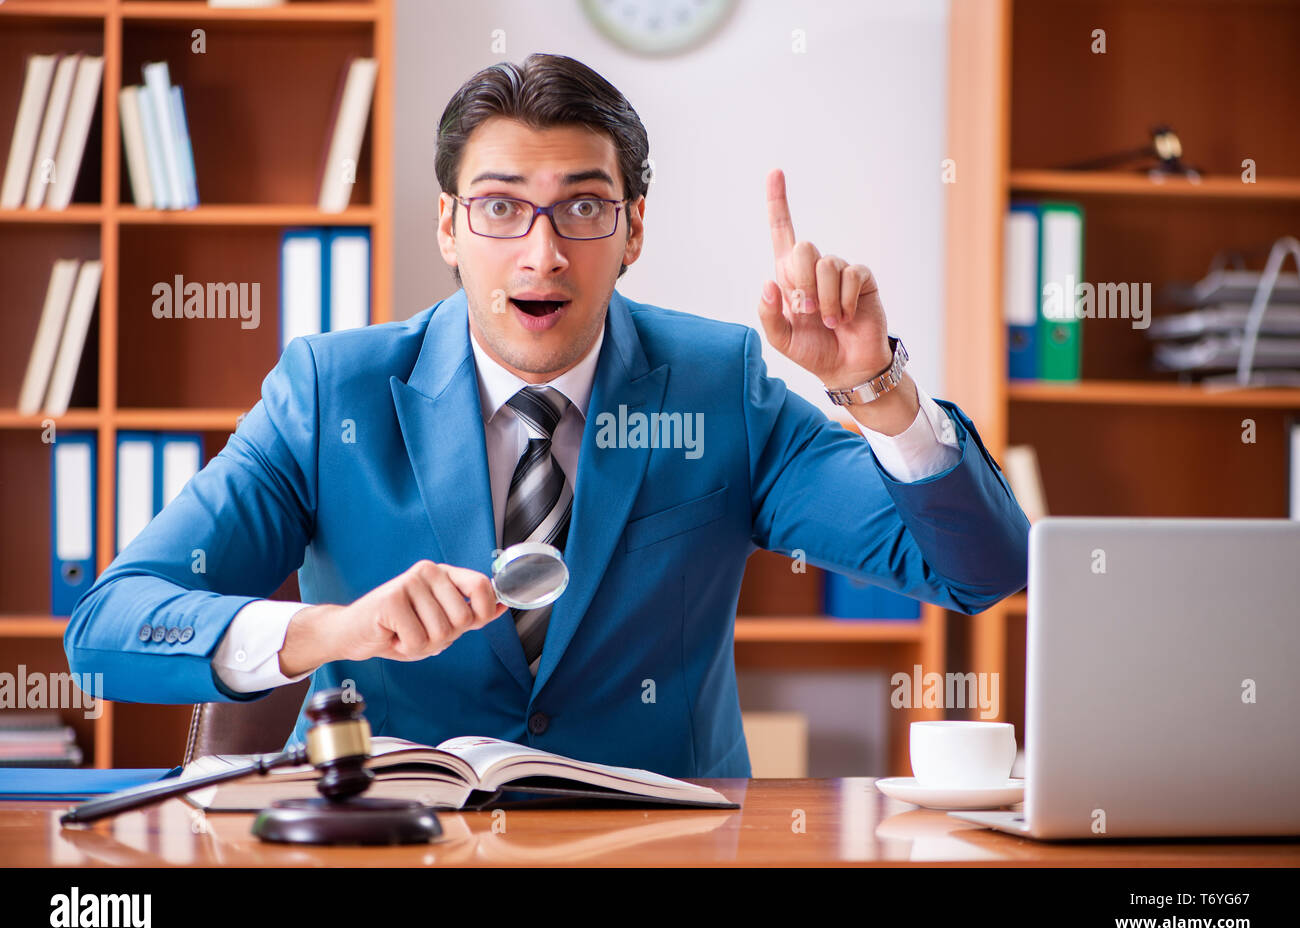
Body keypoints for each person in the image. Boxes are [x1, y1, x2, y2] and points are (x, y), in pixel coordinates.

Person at [64, 54, 1029, 778]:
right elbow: (108, 623)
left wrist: (877, 389)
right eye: (498, 209)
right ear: (448, 226)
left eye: (582, 208)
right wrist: (327, 629)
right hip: (404, 844)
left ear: (633, 231)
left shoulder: (715, 384)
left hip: (666, 852)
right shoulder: (332, 393)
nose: (542, 254)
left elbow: (982, 571)